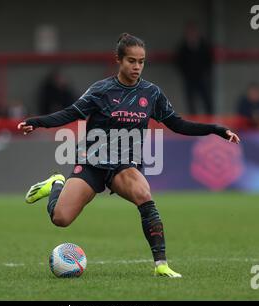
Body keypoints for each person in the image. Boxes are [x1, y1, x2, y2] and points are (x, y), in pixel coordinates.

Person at [17, 33, 240, 278]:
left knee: (144, 195)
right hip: (92, 163)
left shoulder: (151, 93)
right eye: (131, 61)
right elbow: (71, 113)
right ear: (119, 60)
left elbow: (178, 124)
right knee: (61, 219)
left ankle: (161, 265)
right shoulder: (102, 90)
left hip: (124, 165)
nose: (136, 67)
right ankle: (56, 184)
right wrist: (37, 122)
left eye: (141, 61)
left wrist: (217, 129)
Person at [176, 22, 213, 115]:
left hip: (202, 77)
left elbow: (209, 60)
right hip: (189, 78)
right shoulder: (183, 47)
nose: (192, 34)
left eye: (193, 32)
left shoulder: (204, 45)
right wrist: (185, 73)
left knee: (207, 100)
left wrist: (205, 72)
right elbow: (178, 61)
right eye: (189, 32)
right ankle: (193, 123)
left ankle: (210, 120)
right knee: (190, 101)